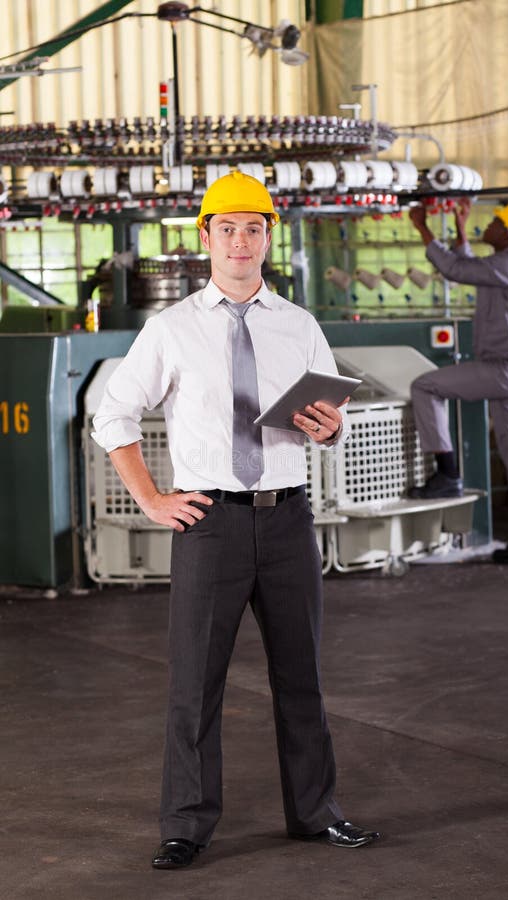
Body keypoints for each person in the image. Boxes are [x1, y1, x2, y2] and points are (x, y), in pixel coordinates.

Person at [92, 170, 379, 870]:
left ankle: (316, 813)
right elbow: (113, 415)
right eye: (228, 228)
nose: (241, 240)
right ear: (206, 237)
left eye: (254, 228)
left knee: (301, 678)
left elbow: (329, 421)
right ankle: (185, 826)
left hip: (287, 523)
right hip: (209, 525)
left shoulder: (299, 325)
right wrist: (153, 499)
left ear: (269, 236)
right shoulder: (173, 328)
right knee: (195, 682)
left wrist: (330, 429)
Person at [408, 198, 508, 564]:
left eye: (498, 221)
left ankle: (447, 473)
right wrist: (462, 228)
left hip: (505, 368)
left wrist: (422, 227)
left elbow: (456, 269)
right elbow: (470, 266)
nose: (492, 224)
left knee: (425, 386)